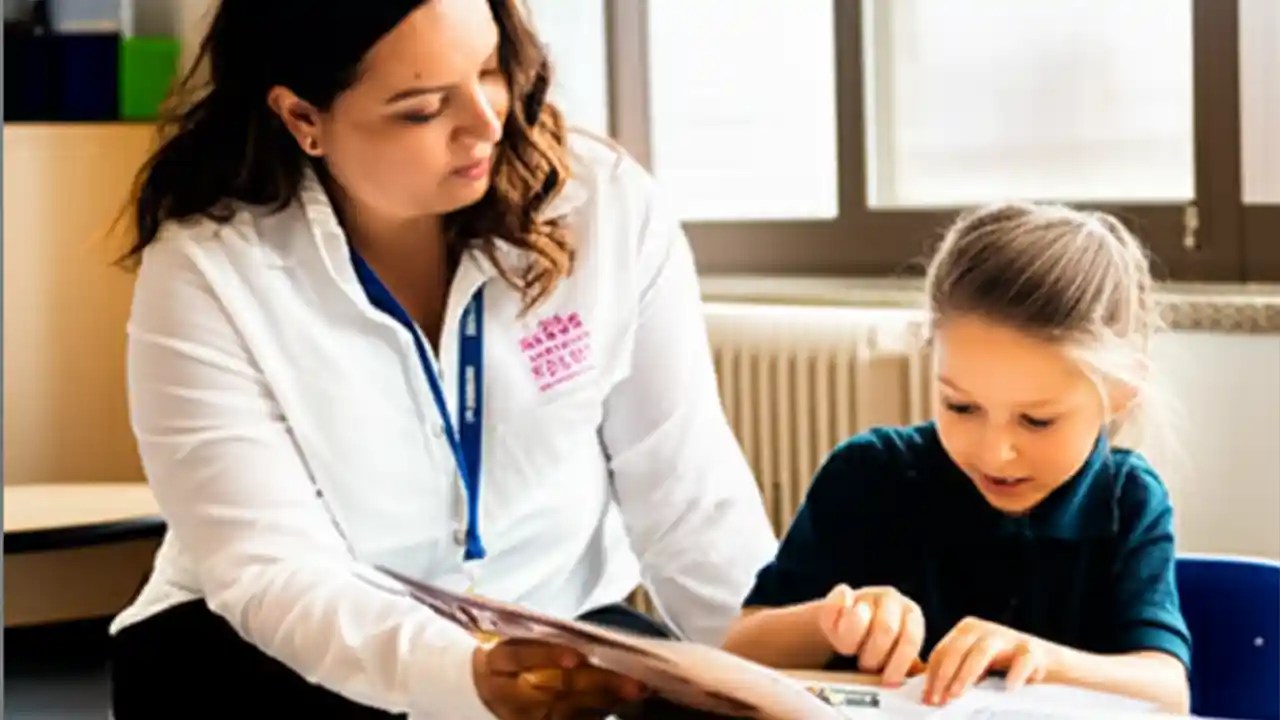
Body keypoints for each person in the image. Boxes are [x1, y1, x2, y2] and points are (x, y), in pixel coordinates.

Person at [106, 1, 777, 718]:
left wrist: (778, 660)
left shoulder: (605, 207)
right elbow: (272, 569)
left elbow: (686, 492)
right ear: (304, 118)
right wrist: (464, 676)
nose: (488, 123)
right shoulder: (211, 269)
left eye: (490, 70)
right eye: (423, 110)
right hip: (273, 644)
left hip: (548, 629)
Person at [721, 202, 1192, 714]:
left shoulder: (1127, 499)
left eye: (1036, 421)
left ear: (1121, 393)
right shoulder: (869, 475)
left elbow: (1167, 689)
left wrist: (1040, 658)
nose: (996, 453)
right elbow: (737, 651)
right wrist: (830, 623)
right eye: (961, 406)